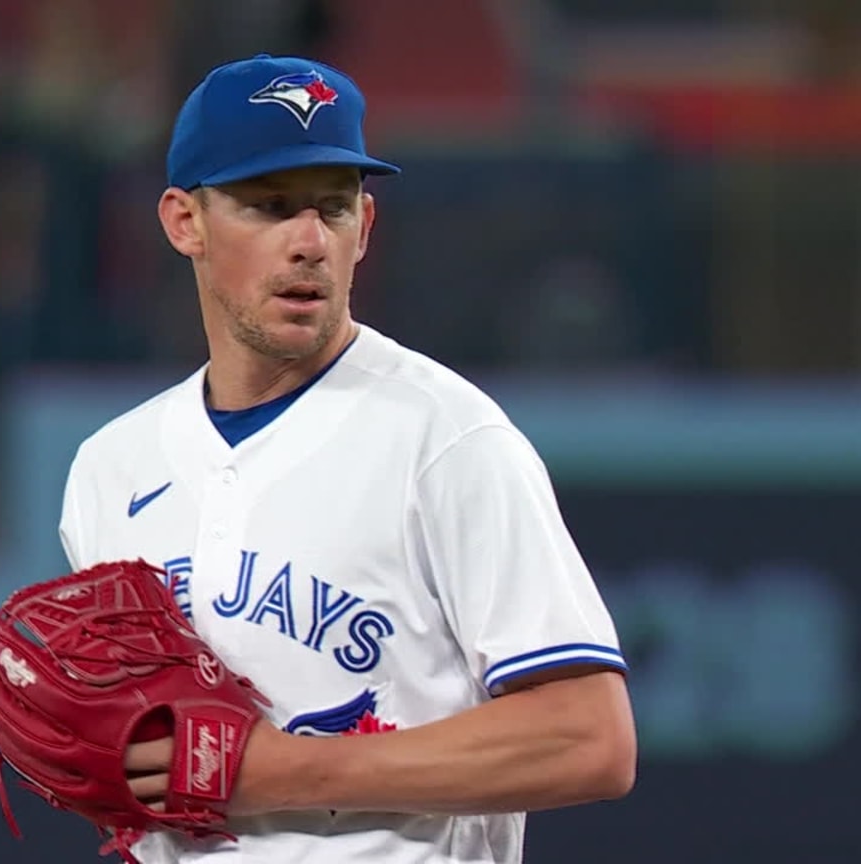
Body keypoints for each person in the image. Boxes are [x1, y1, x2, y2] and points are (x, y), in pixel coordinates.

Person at [56, 53, 636, 864]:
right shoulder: (108, 471)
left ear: (364, 228)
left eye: (332, 207)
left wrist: (281, 770)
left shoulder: (448, 439)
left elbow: (588, 738)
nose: (308, 242)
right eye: (269, 206)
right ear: (185, 221)